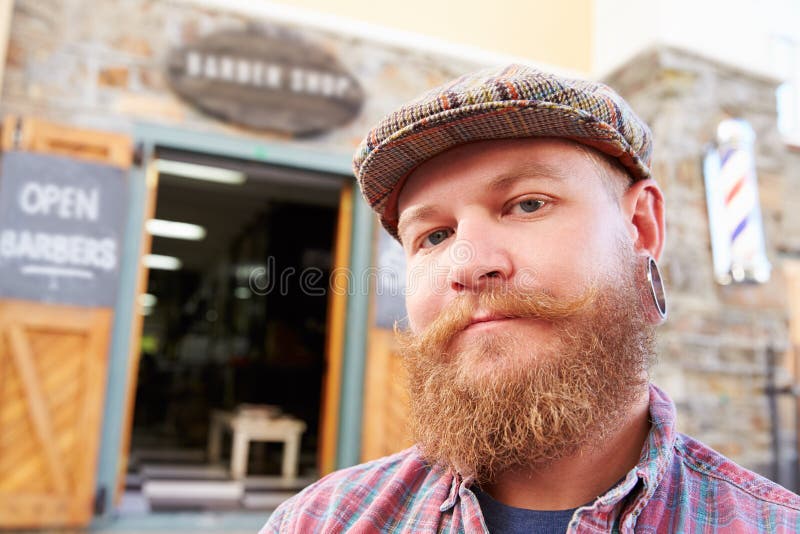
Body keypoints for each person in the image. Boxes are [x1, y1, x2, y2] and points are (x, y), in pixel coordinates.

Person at [260, 64, 800, 533]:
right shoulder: (317, 522)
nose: (468, 264)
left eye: (528, 204)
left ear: (639, 226)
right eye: (435, 235)